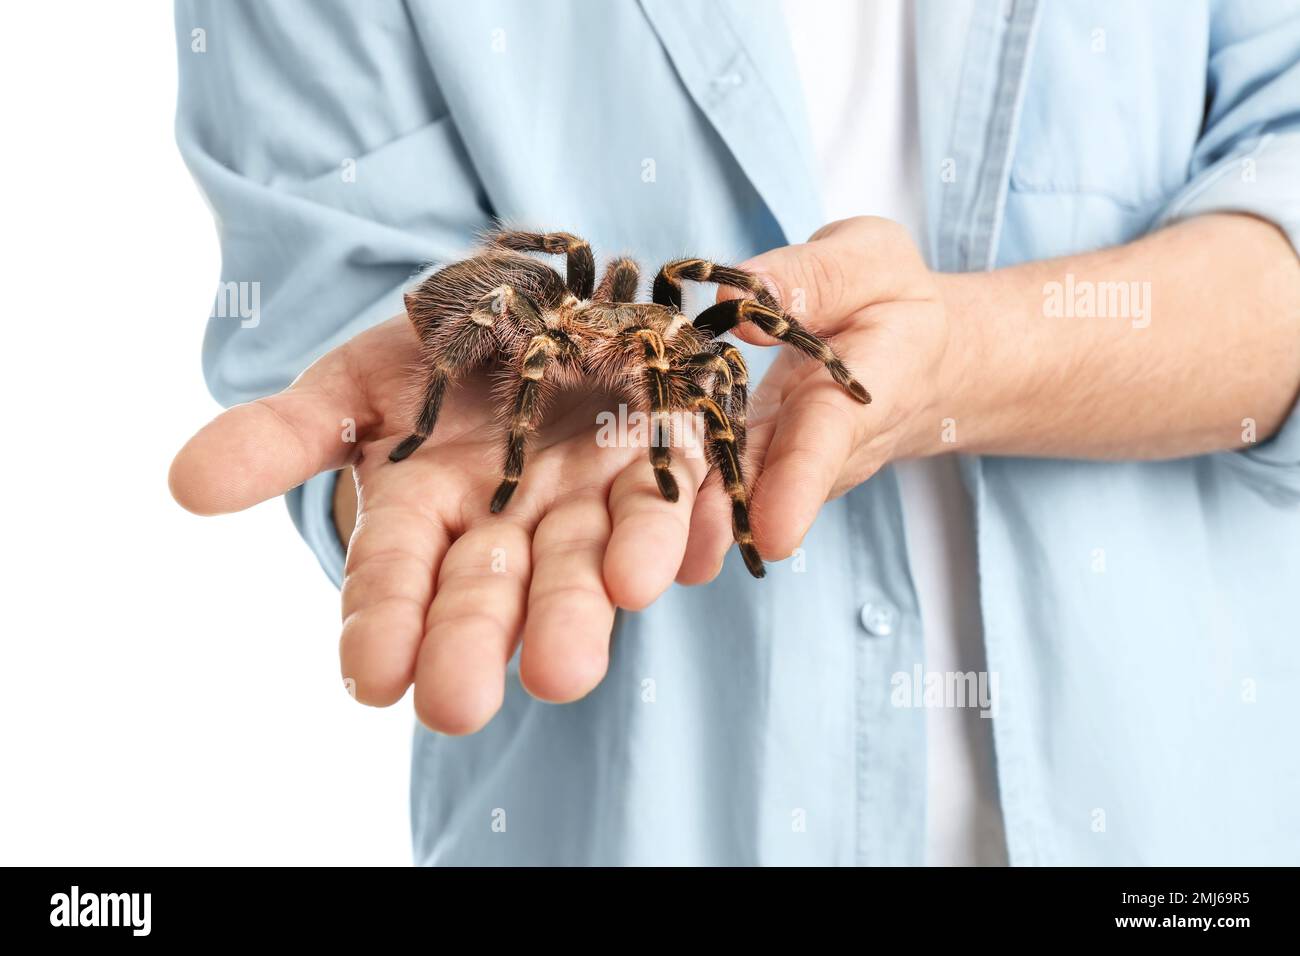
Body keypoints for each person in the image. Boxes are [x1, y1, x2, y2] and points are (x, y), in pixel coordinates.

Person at [169, 0, 1300, 866]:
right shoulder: (559, 325)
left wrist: (952, 351)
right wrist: (456, 457)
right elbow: (335, 294)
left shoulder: (659, 329)